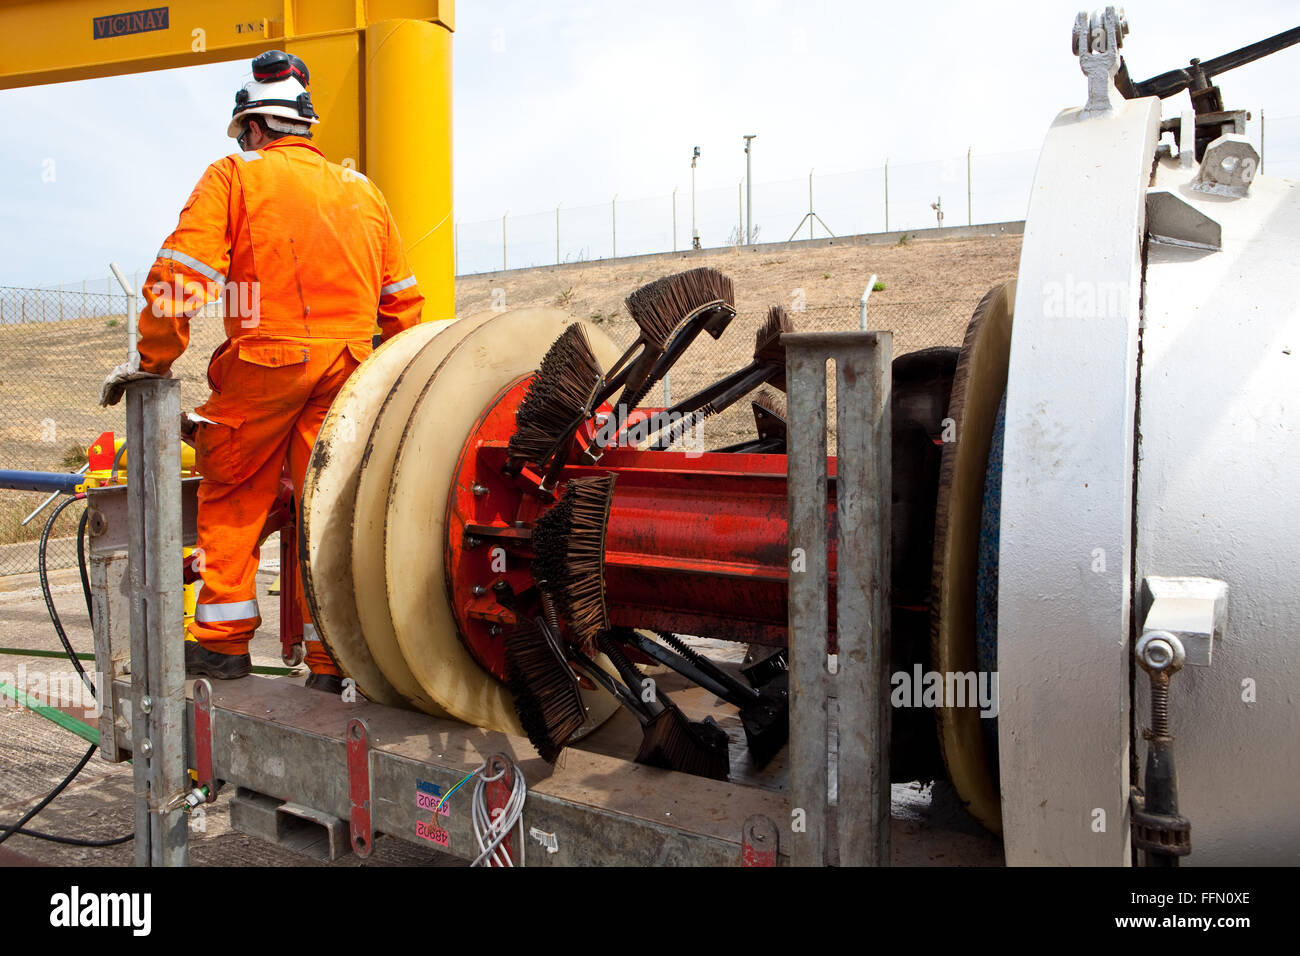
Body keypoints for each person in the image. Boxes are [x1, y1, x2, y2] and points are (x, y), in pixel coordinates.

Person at [100, 50, 424, 693]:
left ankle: (222, 644)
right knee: (325, 504)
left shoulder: (235, 175)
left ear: (253, 126)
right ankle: (331, 659)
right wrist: (398, 385)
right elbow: (403, 303)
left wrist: (153, 359)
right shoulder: (362, 190)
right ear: (302, 125)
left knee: (235, 490)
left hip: (266, 362)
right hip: (349, 371)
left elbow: (182, 274)